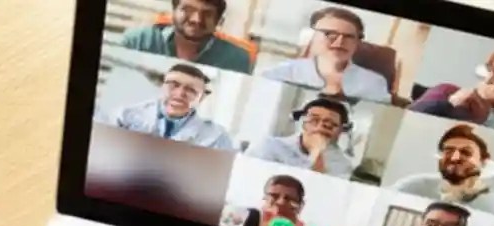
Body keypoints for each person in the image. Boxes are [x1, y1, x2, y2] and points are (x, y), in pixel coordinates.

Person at [390, 124, 494, 220]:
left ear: (483, 162)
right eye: (448, 151)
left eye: (466, 152)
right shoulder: (411, 187)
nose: (455, 158)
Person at [260, 7, 390, 103]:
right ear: (313, 36)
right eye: (330, 34)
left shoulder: (374, 83)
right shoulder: (282, 73)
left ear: (357, 42)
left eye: (349, 37)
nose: (339, 42)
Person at [99, 63, 234, 150]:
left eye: (191, 90)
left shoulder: (217, 137)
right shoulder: (124, 116)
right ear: (162, 86)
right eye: (173, 85)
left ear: (202, 97)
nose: (180, 94)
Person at [120, 0, 253, 73]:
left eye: (207, 14)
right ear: (174, 11)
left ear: (219, 22)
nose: (196, 19)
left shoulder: (237, 60)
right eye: (188, 10)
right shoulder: (138, 41)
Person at [244, 97, 353, 178]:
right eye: (313, 120)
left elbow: (316, 191)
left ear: (340, 131)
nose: (319, 128)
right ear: (301, 121)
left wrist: (317, 153)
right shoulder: (269, 146)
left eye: (329, 125)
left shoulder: (342, 165)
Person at [239, 174, 307, 226]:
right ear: (264, 197)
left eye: (289, 199)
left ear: (300, 204)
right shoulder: (251, 216)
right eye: (274, 196)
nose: (281, 202)